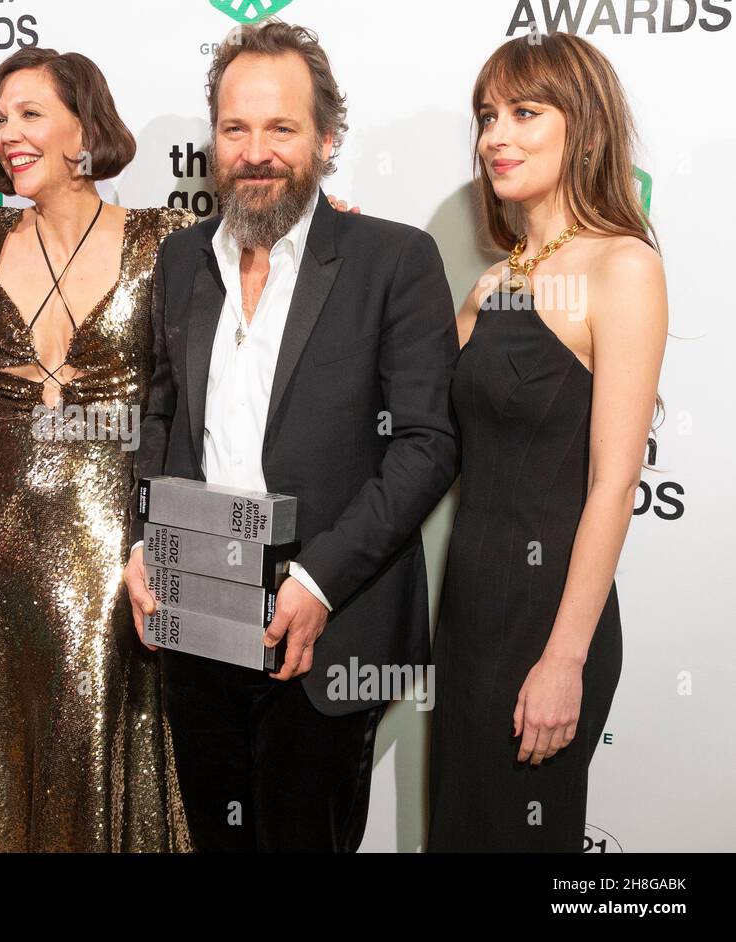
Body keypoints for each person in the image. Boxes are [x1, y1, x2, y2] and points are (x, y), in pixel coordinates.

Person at [124, 20, 459, 852]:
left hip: (332, 624)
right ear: (214, 142)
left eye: (282, 128)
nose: (257, 151)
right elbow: (162, 418)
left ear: (326, 138)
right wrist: (145, 540)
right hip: (198, 617)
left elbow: (425, 445)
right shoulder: (179, 262)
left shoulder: (395, 259)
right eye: (236, 129)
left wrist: (318, 581)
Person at [0, 47, 195, 851]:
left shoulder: (165, 238)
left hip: (117, 549)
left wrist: (338, 229)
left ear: (86, 128)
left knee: (103, 738)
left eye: (30, 113)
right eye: (0, 117)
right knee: (0, 754)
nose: (8, 133)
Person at [427, 33, 667, 852]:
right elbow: (416, 422)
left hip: (550, 622)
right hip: (467, 618)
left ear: (586, 128)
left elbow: (612, 484)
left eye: (525, 113)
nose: (496, 135)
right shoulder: (492, 283)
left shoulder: (621, 266)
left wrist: (564, 659)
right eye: (487, 115)